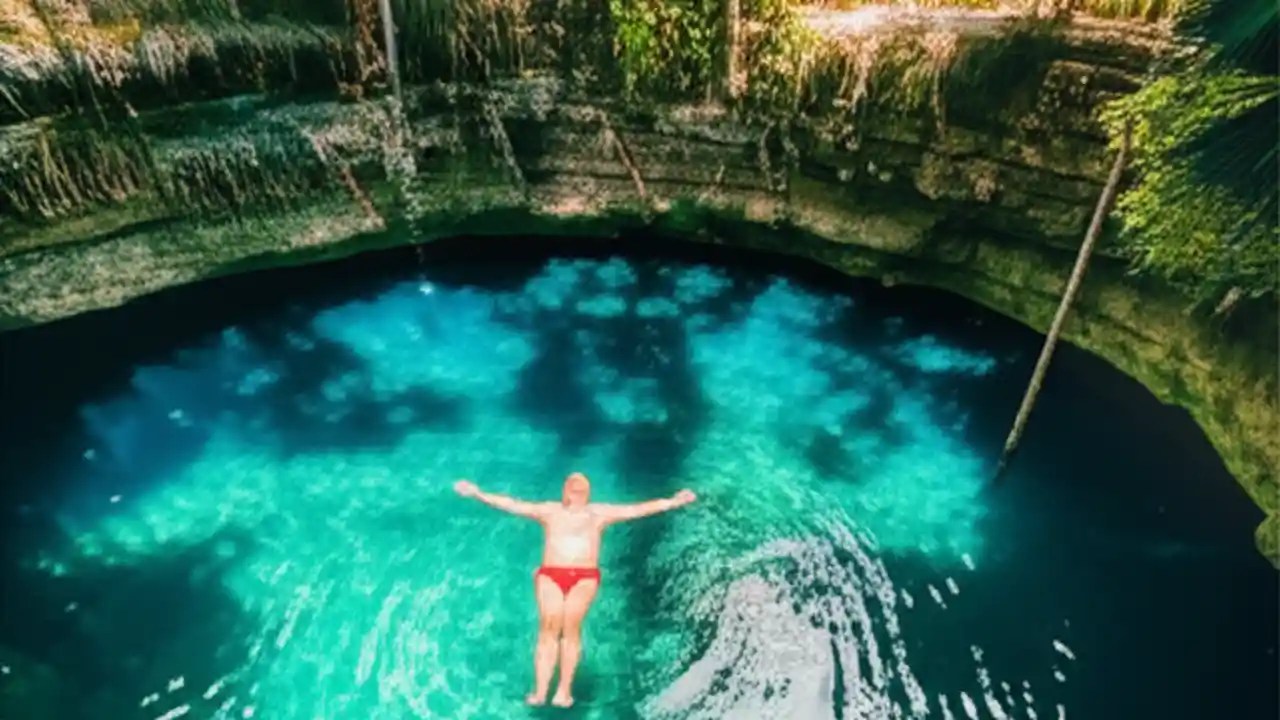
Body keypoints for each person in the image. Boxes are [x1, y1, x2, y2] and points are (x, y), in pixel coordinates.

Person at [453, 472, 697, 708]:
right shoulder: (550, 511)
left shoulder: (599, 513)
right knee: (549, 627)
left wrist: (673, 502)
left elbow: (637, 510)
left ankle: (564, 690)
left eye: (582, 487)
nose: (577, 490)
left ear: (588, 494)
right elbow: (514, 505)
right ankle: (540, 691)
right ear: (565, 492)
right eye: (573, 486)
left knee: (570, 626)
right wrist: (478, 493)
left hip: (584, 577)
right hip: (551, 574)